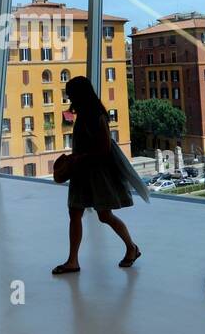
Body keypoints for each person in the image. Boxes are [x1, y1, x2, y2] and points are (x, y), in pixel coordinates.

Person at [52, 75, 143, 275]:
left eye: (72, 95)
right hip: (83, 170)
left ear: (80, 95)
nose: (70, 100)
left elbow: (103, 148)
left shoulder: (96, 116)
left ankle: (131, 247)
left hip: (92, 172)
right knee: (76, 213)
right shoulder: (89, 114)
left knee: (103, 215)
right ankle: (73, 260)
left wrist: (79, 158)